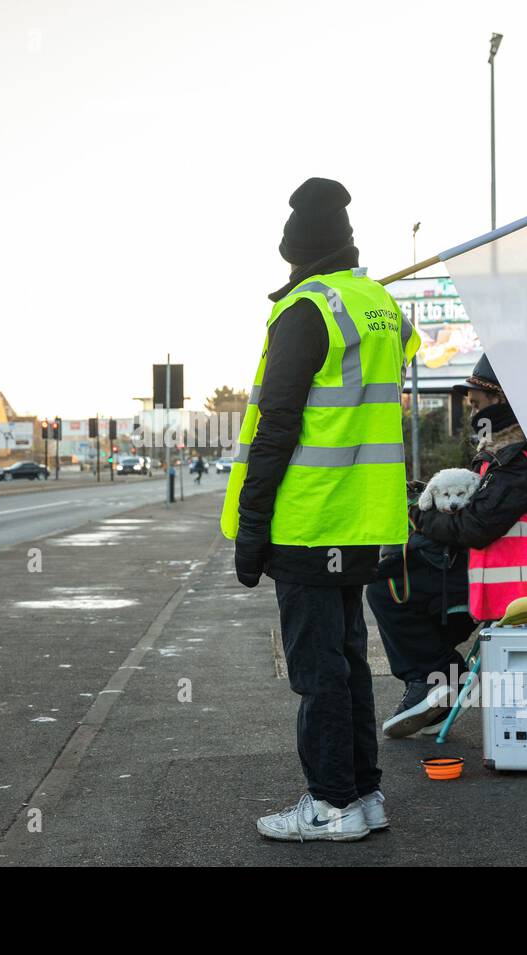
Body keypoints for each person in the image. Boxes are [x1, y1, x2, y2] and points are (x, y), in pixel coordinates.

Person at [221, 177, 421, 842]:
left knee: (317, 673)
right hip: (365, 521)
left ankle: (330, 805)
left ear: (293, 250)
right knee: (347, 663)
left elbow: (275, 424)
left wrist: (252, 527)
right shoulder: (378, 305)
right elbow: (405, 345)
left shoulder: (307, 309)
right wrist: (364, 291)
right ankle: (364, 797)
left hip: (309, 519)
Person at [406, 353, 527, 729]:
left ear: (504, 401)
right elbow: (472, 510)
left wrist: (416, 512)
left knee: (392, 583)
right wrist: (422, 494)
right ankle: (434, 678)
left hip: (516, 588)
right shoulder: (506, 447)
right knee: (403, 568)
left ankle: (434, 677)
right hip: (498, 577)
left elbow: (473, 527)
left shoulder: (520, 458)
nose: (473, 415)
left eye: (477, 404)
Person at [367, 515, 474, 739]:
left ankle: (439, 674)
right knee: (388, 577)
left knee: (386, 590)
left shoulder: (512, 480)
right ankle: (433, 679)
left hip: (477, 572)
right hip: (464, 563)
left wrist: (422, 521)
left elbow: (476, 524)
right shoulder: (505, 480)